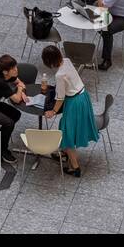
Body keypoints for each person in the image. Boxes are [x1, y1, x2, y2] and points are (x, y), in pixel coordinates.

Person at [40, 45, 97, 177]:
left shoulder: (60, 75)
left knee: (68, 134)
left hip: (73, 103)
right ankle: (65, 152)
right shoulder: (67, 61)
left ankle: (75, 168)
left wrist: (53, 111)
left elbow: (60, 98)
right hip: (82, 97)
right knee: (66, 127)